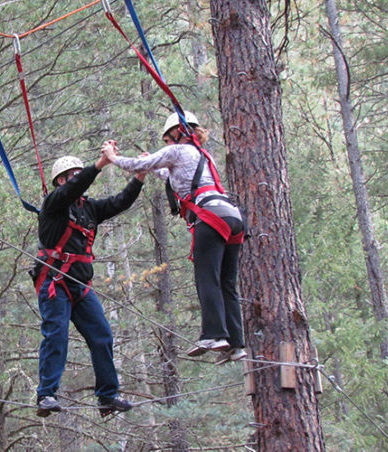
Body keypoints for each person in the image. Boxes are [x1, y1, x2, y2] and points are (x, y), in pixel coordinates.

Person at [101, 111, 247, 366]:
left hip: (209, 217)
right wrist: (152, 162)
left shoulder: (178, 150)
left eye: (168, 139)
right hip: (232, 217)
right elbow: (174, 178)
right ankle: (235, 344)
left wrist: (113, 158)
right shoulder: (202, 154)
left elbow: (138, 167)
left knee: (207, 278)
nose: (166, 144)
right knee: (227, 283)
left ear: (177, 133)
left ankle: (214, 334)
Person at [30, 149, 144, 417]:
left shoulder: (89, 209)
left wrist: (139, 176)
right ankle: (46, 394)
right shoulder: (54, 204)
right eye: (72, 176)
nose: (78, 179)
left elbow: (120, 202)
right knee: (56, 335)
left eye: (78, 174)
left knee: (102, 335)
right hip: (54, 283)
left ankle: (107, 395)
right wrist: (101, 163)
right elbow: (76, 186)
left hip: (80, 287)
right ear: (61, 181)